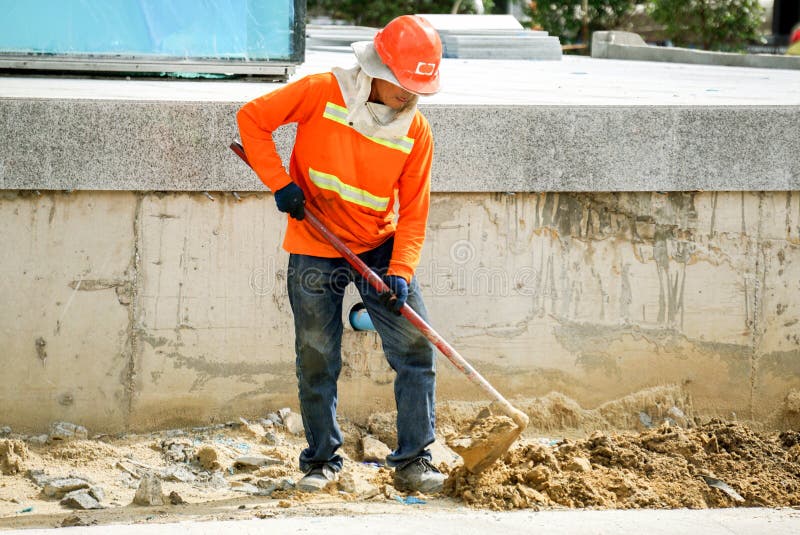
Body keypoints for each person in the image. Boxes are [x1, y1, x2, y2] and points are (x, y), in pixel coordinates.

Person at [236, 15, 446, 494]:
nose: (410, 95)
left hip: (379, 248)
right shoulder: (320, 91)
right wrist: (281, 184)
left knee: (416, 349)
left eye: (418, 87)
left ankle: (415, 459)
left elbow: (414, 212)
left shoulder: (417, 132)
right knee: (316, 355)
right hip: (316, 240)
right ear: (378, 68)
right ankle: (321, 461)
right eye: (403, 84)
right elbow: (252, 119)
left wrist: (400, 271)